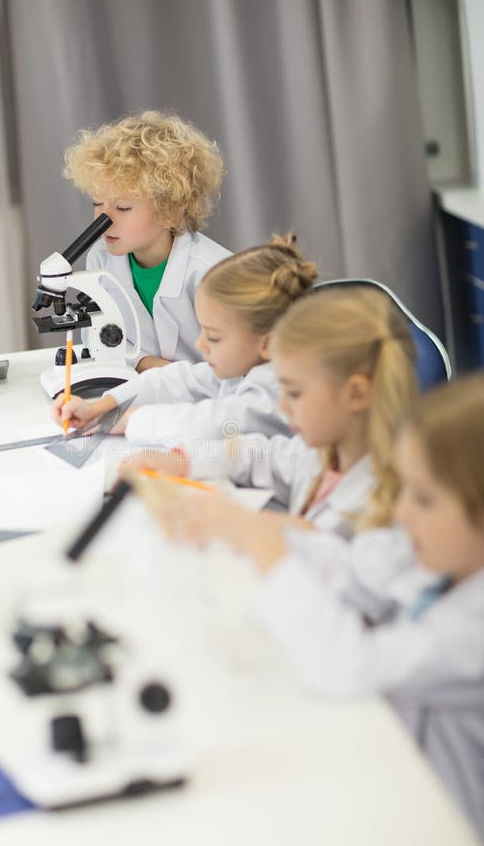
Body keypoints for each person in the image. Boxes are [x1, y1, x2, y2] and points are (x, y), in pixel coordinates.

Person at [239, 374, 484, 840]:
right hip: (400, 784)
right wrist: (246, 530)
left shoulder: (473, 632)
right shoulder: (447, 556)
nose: (403, 512)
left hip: (453, 837)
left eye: (424, 498)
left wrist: (268, 552)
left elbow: (353, 666)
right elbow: (356, 567)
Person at [122, 287, 418, 540]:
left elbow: (336, 572)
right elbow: (254, 454)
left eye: (295, 393)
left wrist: (252, 527)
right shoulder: (323, 452)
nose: (283, 407)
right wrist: (182, 461)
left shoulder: (385, 505)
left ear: (355, 394)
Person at [53, 234, 317, 445]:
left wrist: (130, 420)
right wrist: (104, 405)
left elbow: (211, 424)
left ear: (267, 343)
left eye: (213, 337)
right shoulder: (246, 370)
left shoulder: (278, 392)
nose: (201, 346)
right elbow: (181, 380)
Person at [63, 110, 230, 373]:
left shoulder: (213, 273)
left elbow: (238, 362)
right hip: (147, 390)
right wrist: (145, 363)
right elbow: (100, 334)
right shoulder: (100, 257)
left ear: (171, 211)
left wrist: (170, 376)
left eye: (123, 207)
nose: (103, 220)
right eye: (97, 203)